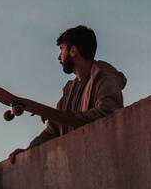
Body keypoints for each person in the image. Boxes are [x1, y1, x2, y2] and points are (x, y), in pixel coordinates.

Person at [7, 25, 127, 164]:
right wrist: (29, 150)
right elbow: (54, 129)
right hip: (75, 166)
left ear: (73, 50)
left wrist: (64, 116)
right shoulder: (70, 90)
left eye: (61, 49)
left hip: (103, 163)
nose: (59, 57)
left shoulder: (105, 78)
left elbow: (108, 116)